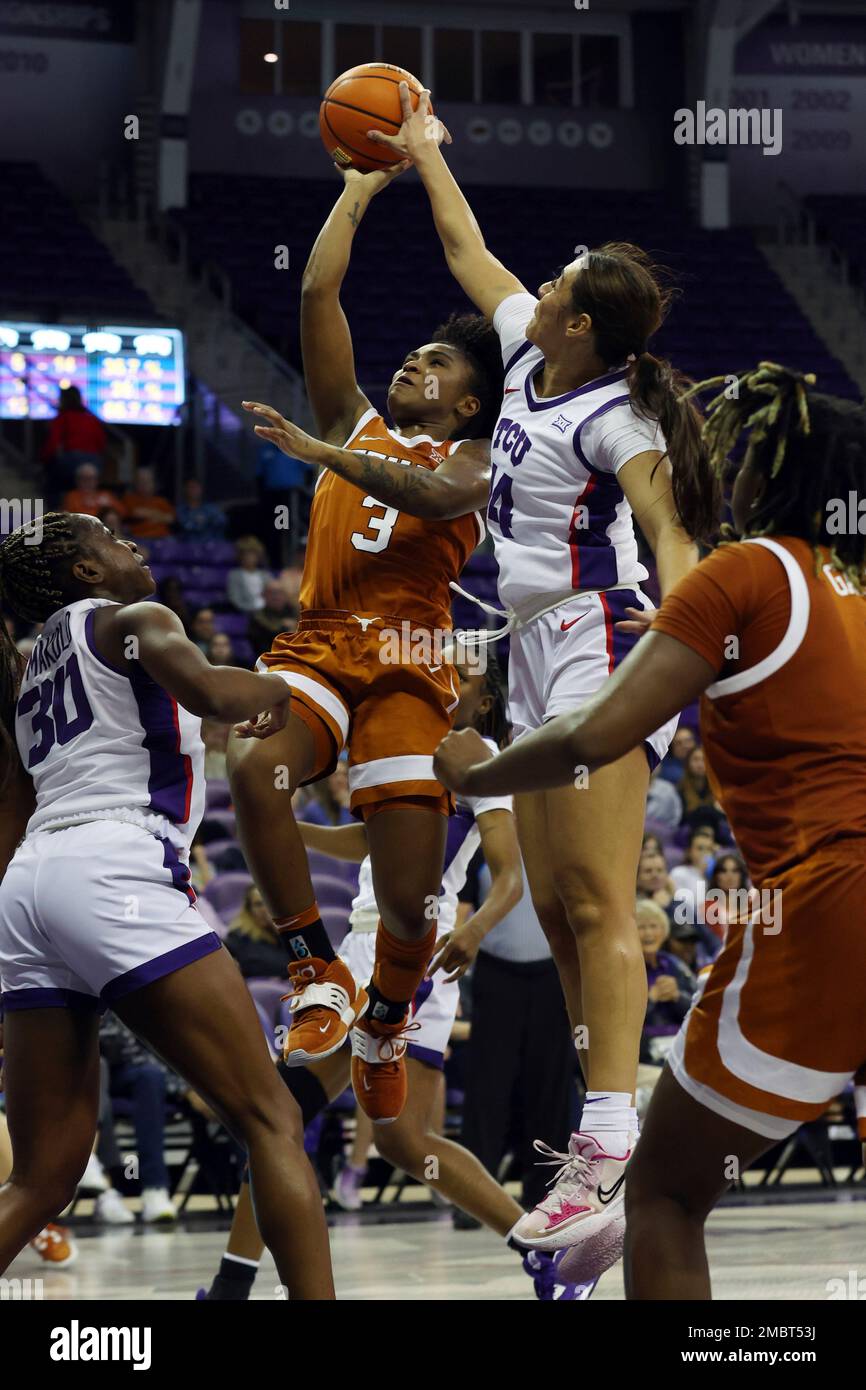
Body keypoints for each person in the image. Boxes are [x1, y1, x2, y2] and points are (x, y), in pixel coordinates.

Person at [368, 82, 719, 1250]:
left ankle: (612, 1137)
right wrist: (420, 150)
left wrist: (689, 632)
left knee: (588, 900)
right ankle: (600, 1151)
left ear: (582, 323)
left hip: (604, 641)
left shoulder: (620, 415)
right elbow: (464, 244)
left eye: (564, 279)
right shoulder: (528, 346)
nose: (546, 278)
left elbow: (667, 534)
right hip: (528, 651)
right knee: (568, 926)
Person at [432, 362, 866, 1297]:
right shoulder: (852, 587)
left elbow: (593, 734)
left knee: (665, 1195)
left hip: (835, 899)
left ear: (766, 473)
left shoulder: (744, 573)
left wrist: (484, 775)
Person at [228, 134, 507, 1130]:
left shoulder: (476, 458)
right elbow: (316, 302)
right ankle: (314, 970)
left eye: (434, 362)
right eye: (414, 352)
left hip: (406, 669)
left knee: (405, 903)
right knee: (251, 757)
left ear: (467, 399)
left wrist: (323, 456)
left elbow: (432, 491)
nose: (412, 363)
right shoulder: (348, 417)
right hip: (315, 647)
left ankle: (387, 1017)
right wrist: (353, 194)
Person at [0, 512, 334, 1297]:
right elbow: (214, 691)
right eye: (113, 539)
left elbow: (17, 804)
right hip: (113, 864)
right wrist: (288, 689)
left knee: (41, 1177)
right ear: (86, 572)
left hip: (29, 887)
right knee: (272, 1119)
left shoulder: (28, 669)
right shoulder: (138, 617)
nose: (135, 546)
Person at [199, 660, 590, 1302]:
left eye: (462, 670)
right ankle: (544, 1252)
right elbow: (371, 842)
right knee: (406, 1141)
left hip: (410, 944)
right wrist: (289, 831)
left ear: (482, 694)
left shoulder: (479, 755)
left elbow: (509, 870)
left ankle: (229, 1287)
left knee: (282, 1113)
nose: (444, 673)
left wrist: (475, 929)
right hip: (383, 943)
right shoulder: (406, 740)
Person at [42, 385, 108, 500]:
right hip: (95, 462)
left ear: (63, 400)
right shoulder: (91, 418)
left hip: (72, 462)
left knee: (52, 482)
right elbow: (101, 444)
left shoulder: (63, 417)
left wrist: (42, 460)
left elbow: (52, 443)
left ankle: (55, 509)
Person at [225, 886, 289, 979]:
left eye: (270, 903)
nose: (265, 909)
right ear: (249, 909)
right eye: (259, 904)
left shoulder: (290, 933)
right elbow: (279, 966)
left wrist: (280, 931)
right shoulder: (239, 938)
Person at [122, 466, 175, 541]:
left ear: (153, 483)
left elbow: (170, 519)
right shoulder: (129, 499)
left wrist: (148, 513)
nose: (144, 484)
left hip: (163, 538)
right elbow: (136, 513)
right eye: (141, 481)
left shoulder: (161, 501)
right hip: (139, 538)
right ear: (135, 483)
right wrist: (159, 515)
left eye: (147, 481)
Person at [247, 579, 297, 655]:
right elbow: (260, 647)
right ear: (263, 595)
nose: (276, 597)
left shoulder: (295, 613)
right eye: (272, 593)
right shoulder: (257, 618)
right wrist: (283, 628)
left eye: (280, 592)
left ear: (286, 595)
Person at [226, 537, 270, 614]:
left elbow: (271, 595)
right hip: (246, 611)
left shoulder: (265, 575)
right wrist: (251, 610)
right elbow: (235, 599)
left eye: (253, 554)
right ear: (240, 556)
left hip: (266, 611)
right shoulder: (234, 575)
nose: (249, 557)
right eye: (246, 554)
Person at [175, 478, 226, 542]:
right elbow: (186, 526)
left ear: (201, 489)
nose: (194, 490)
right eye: (191, 487)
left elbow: (222, 521)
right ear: (185, 490)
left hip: (212, 545)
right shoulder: (181, 509)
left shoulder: (210, 507)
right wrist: (205, 521)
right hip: (189, 546)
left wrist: (204, 520)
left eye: (197, 487)